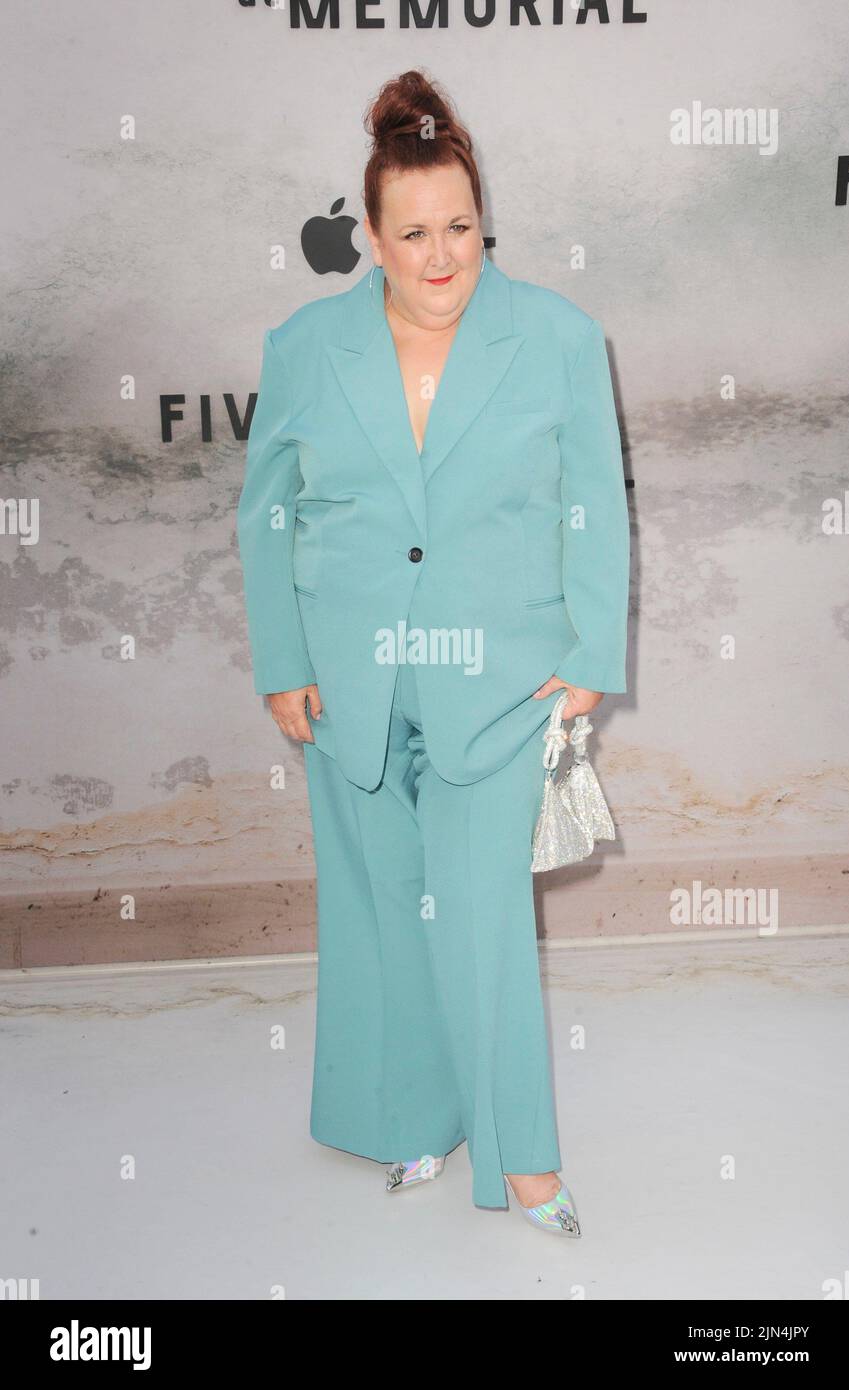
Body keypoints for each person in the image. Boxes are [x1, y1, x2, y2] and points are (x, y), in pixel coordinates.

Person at [237, 69, 630, 1238]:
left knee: (485, 922)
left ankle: (522, 1159)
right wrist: (279, 659)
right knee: (379, 915)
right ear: (369, 238)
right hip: (347, 678)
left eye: (459, 225)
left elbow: (593, 506)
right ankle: (409, 1120)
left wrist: (589, 649)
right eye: (413, 233)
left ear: (479, 217)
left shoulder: (558, 336)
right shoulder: (306, 346)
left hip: (499, 680)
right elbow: (267, 514)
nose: (442, 253)